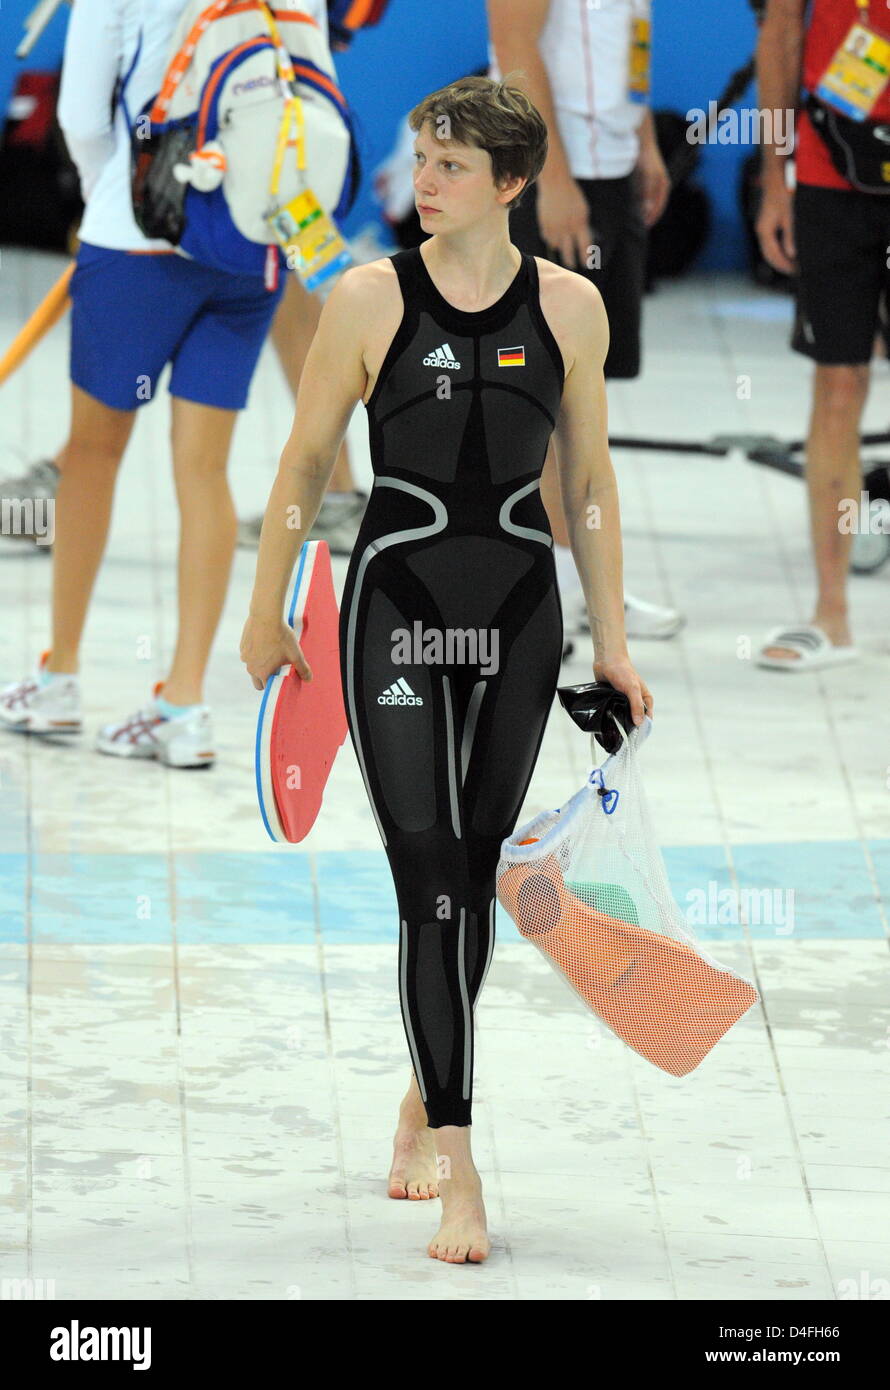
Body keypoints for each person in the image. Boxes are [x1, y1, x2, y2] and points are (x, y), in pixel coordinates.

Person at [240, 76, 653, 1264]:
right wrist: (265, 613)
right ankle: (463, 1165)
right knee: (424, 872)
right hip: (396, 612)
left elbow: (586, 484)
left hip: (520, 612)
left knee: (471, 874)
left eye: (449, 169)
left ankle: (425, 1087)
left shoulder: (571, 309)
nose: (421, 185)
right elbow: (304, 461)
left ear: (511, 185)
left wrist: (611, 641)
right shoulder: (365, 299)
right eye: (421, 162)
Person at [0, 0, 301, 763]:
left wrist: (129, 203)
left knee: (92, 456)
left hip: (135, 248)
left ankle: (59, 679)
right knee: (205, 469)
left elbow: (83, 116)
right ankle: (182, 706)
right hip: (248, 249)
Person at [487, 0, 683, 645]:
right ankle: (548, 588)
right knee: (534, 399)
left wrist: (646, 141)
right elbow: (514, 46)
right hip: (550, 174)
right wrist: (552, 180)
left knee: (581, 395)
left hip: (614, 166)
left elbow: (632, 46)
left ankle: (581, 584)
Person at [754, 0, 884, 669]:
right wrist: (776, 176)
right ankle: (831, 614)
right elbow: (781, 31)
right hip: (833, 166)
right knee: (838, 381)